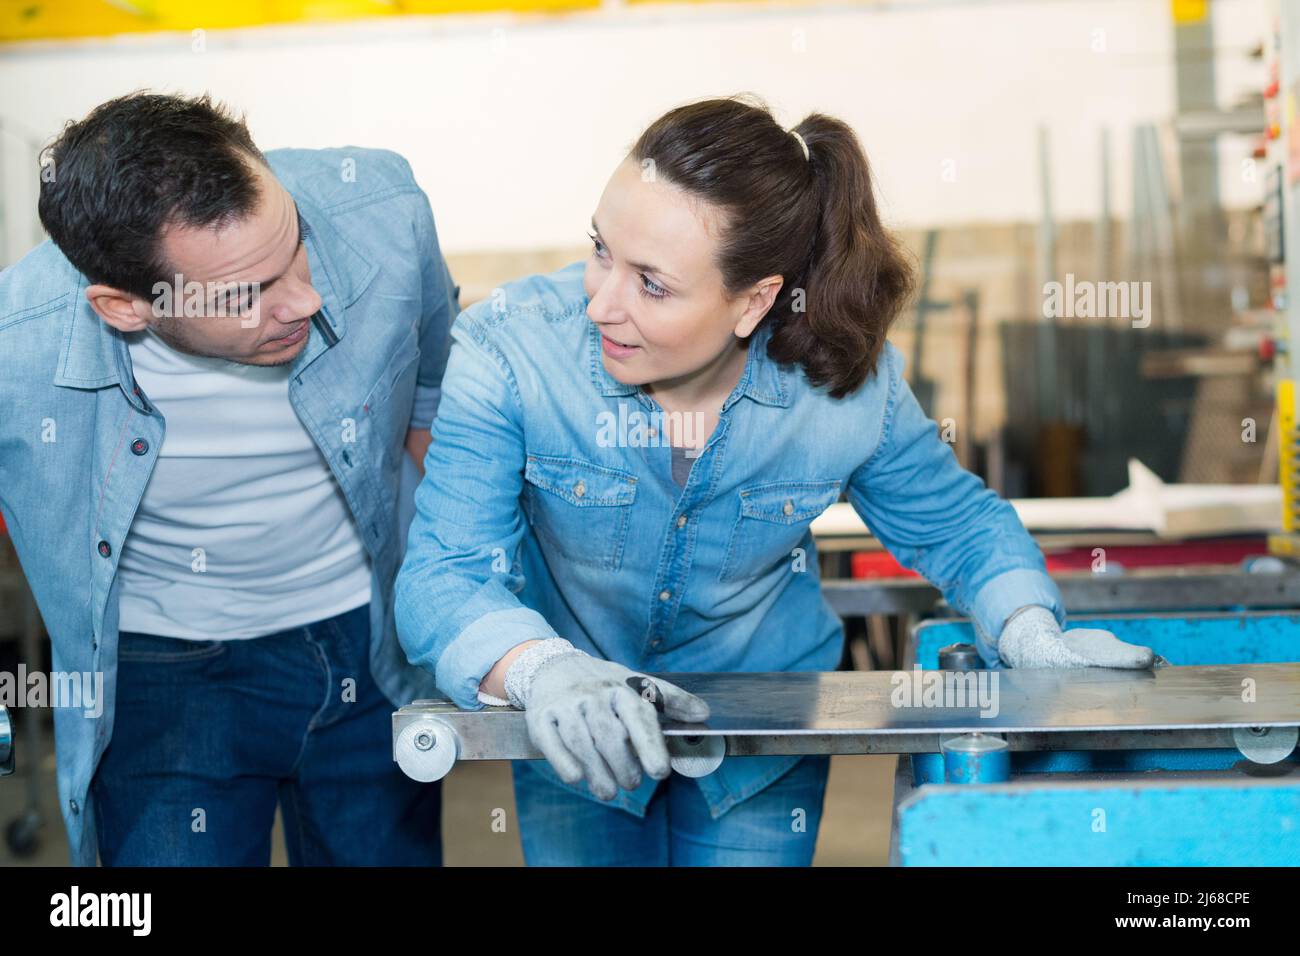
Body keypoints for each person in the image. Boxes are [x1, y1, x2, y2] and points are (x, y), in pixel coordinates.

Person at [394, 95, 1153, 866]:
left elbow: (956, 526)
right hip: (572, 737)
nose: (600, 303)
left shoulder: (843, 385)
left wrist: (1030, 630)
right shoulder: (510, 353)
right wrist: (543, 671)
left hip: (762, 747)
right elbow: (443, 574)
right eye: (601, 249)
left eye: (651, 284)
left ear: (755, 300)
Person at [0, 92, 456, 865]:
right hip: (163, 676)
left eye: (297, 246)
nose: (305, 301)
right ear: (123, 307)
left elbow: (433, 401)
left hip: (370, 645)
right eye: (248, 295)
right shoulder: (18, 350)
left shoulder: (385, 208)